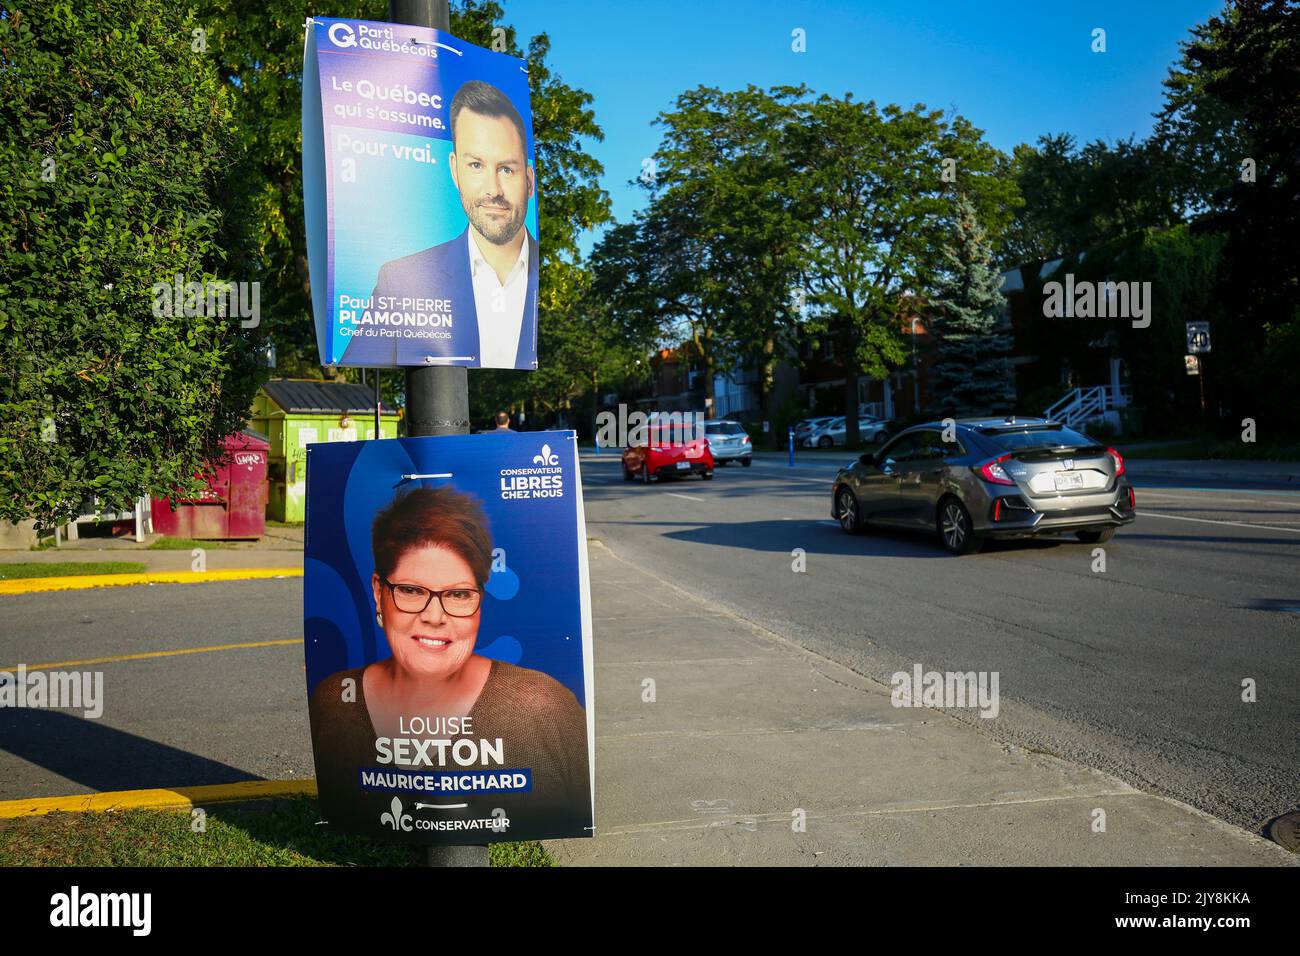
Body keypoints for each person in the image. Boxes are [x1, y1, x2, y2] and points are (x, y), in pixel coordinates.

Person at [308, 486, 589, 837]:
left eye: (458, 594)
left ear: (480, 602)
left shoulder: (544, 707)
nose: (434, 616)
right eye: (412, 590)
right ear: (379, 593)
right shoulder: (335, 699)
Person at [344, 80, 538, 369]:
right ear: (454, 169)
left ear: (529, 180)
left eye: (507, 169)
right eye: (476, 165)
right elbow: (357, 378)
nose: (493, 189)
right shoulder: (400, 280)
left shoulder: (555, 288)